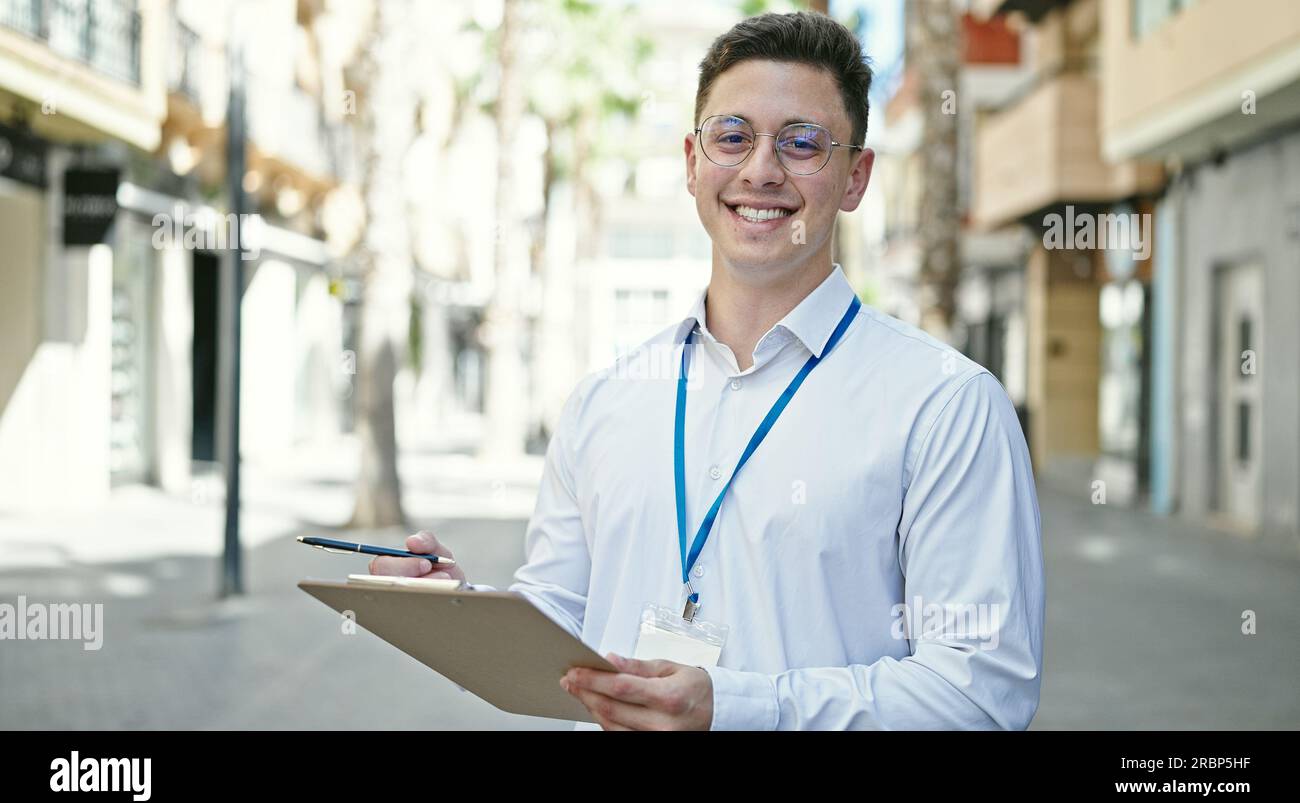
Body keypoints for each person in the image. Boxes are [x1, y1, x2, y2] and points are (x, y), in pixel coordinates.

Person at [371, 10, 1044, 731]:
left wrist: (736, 706)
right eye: (733, 137)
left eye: (803, 143)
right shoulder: (606, 398)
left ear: (857, 176)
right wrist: (461, 608)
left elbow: (979, 693)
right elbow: (566, 617)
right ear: (693, 161)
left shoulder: (947, 405)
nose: (761, 169)